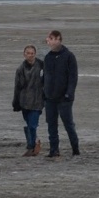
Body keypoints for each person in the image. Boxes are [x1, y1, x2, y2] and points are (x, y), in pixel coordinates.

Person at [42, 29, 80, 157]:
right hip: (50, 98)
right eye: (49, 39)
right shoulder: (47, 57)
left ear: (58, 39)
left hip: (64, 98)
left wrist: (69, 94)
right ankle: (54, 150)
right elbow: (44, 77)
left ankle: (75, 149)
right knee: (51, 125)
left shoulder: (69, 56)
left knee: (68, 124)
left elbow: (73, 77)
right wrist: (44, 93)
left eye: (52, 38)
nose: (50, 41)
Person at [11, 45, 44, 155]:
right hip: (24, 101)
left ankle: (31, 146)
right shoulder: (20, 69)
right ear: (24, 54)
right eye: (28, 53)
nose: (30, 55)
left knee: (33, 124)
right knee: (29, 124)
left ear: (35, 54)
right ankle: (34, 142)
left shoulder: (42, 66)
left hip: (37, 100)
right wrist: (16, 102)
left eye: (32, 53)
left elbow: (47, 81)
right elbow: (17, 86)